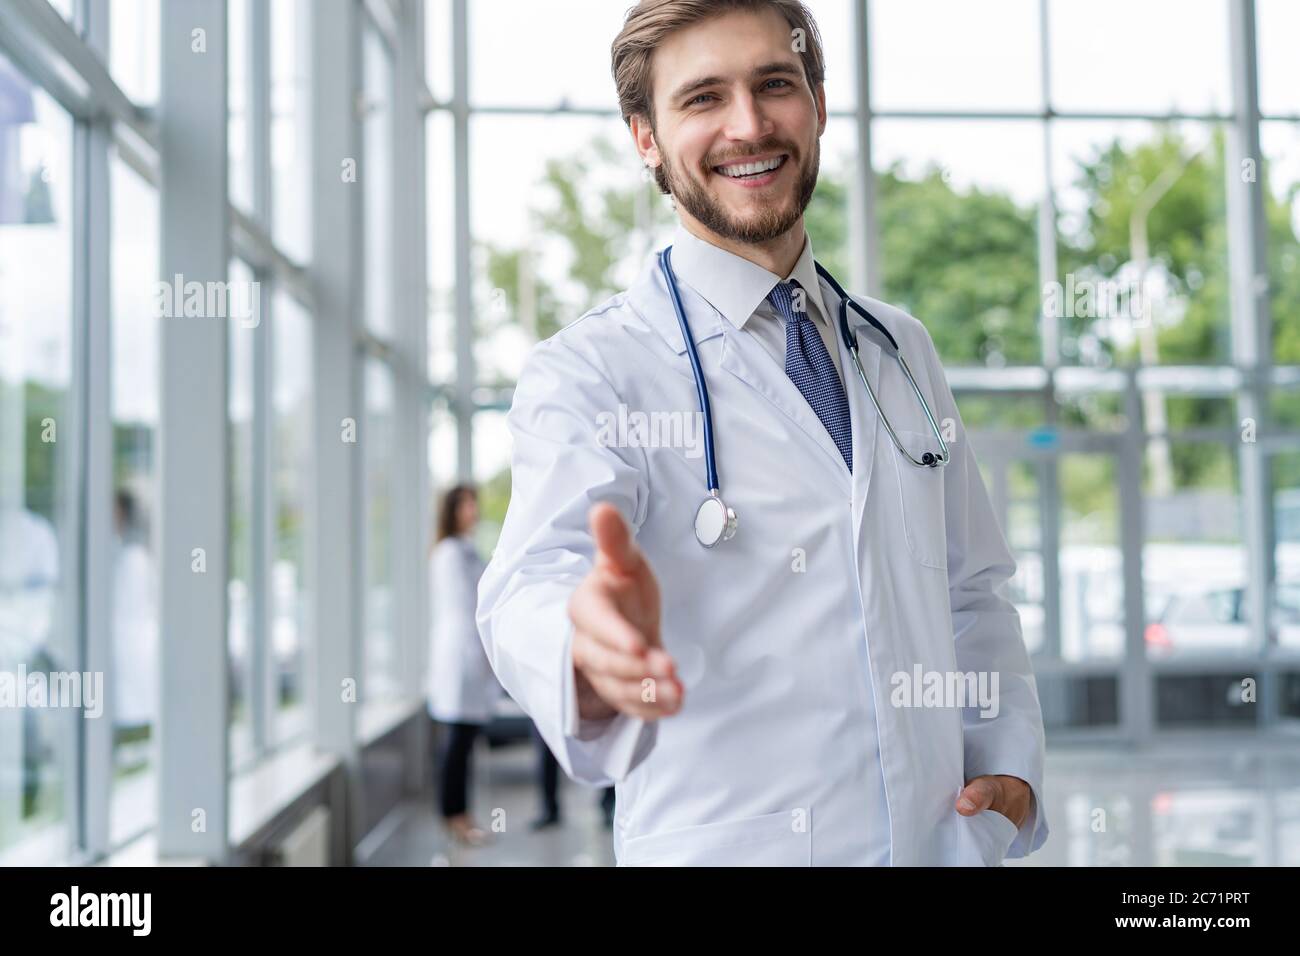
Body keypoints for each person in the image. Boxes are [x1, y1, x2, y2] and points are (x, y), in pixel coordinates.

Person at [477, 0, 1049, 865]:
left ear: (816, 103)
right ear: (646, 138)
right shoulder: (592, 371)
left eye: (774, 84)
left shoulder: (899, 349)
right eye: (702, 98)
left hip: (940, 843)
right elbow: (531, 581)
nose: (749, 125)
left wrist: (1007, 768)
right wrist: (587, 645)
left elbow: (972, 589)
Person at [428, 484, 496, 847]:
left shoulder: (465, 551)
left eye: (474, 501)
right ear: (451, 510)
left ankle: (461, 816)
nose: (473, 509)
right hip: (459, 655)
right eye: (465, 503)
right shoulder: (450, 554)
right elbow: (466, 607)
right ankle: (455, 817)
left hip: (467, 655)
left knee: (463, 742)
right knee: (456, 744)